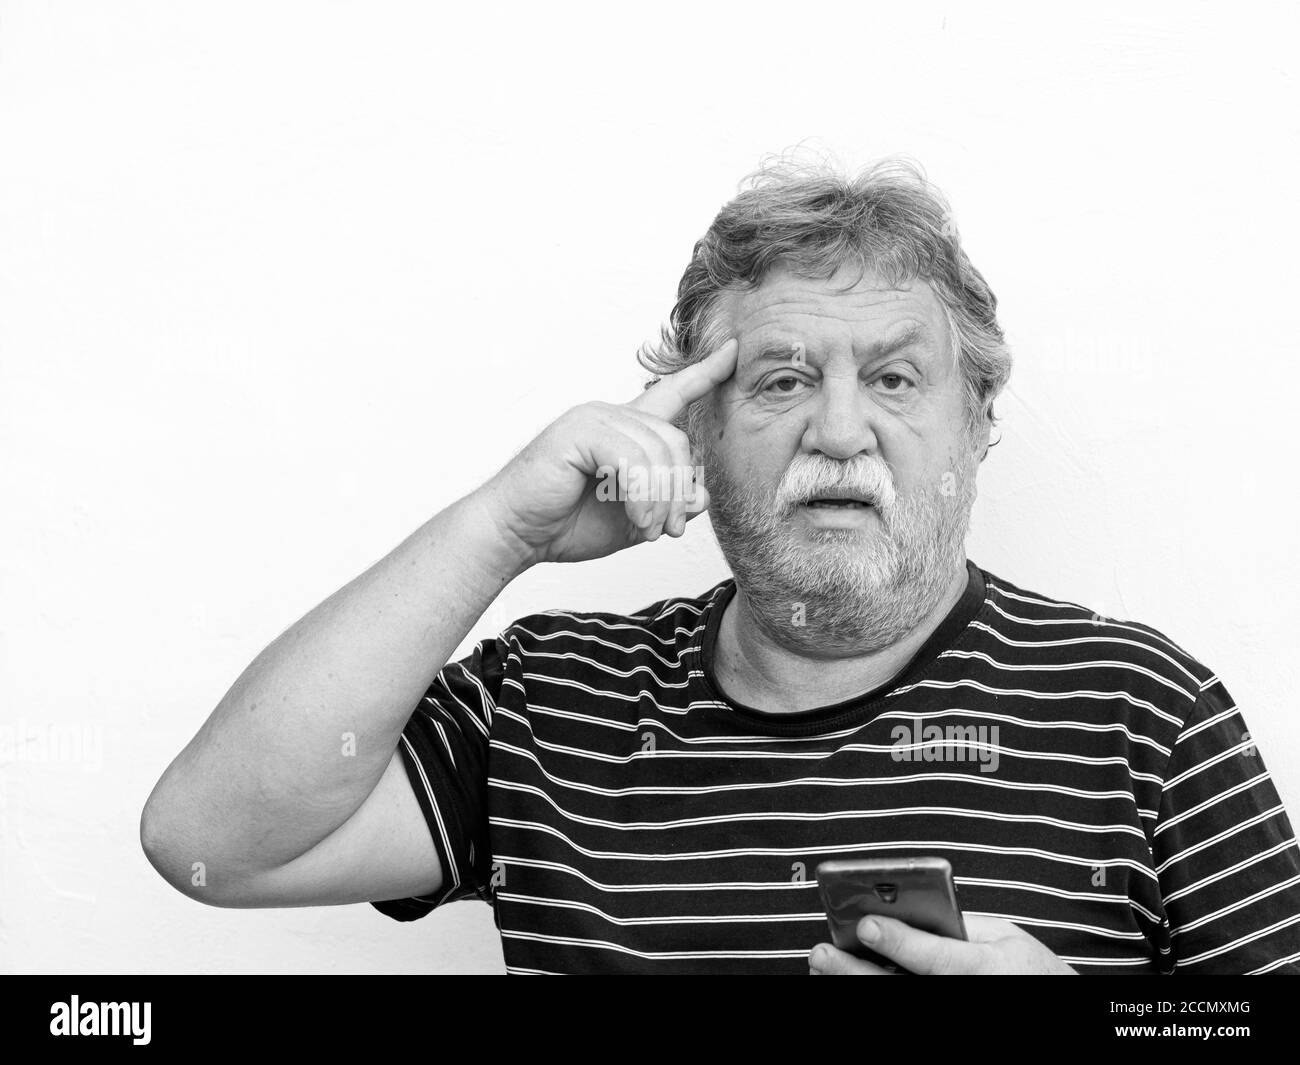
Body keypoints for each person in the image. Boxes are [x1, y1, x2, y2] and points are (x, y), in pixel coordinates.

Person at [141, 157, 1300, 975]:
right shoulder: (552, 704)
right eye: (782, 380)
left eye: (894, 379)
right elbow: (210, 845)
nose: (839, 431)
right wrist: (506, 529)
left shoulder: (1140, 710)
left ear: (976, 423)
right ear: (694, 431)